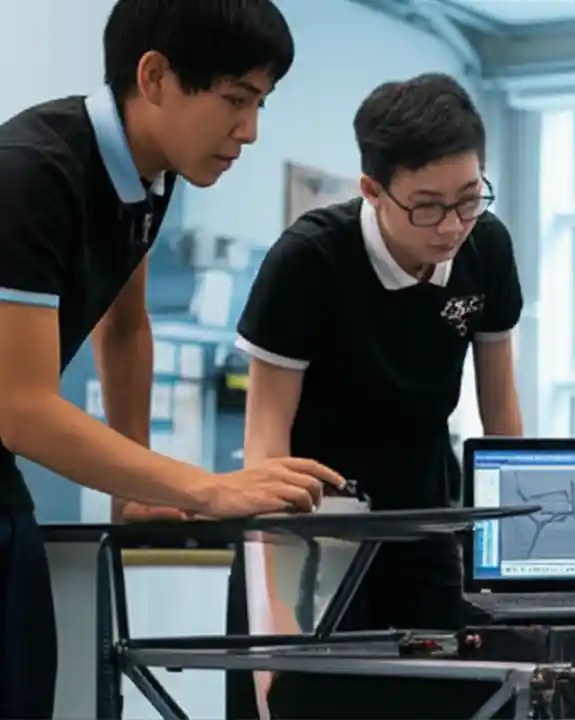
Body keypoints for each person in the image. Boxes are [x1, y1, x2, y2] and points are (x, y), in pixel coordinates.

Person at [0, 2, 348, 717]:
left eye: (260, 104)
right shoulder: (31, 174)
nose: (249, 132)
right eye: (235, 101)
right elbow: (20, 409)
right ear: (154, 76)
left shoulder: (147, 176)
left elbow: (125, 326)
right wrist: (203, 487)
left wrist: (135, 483)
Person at [225, 72, 524, 719]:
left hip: (423, 520)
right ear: (372, 190)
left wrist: (522, 561)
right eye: (427, 205)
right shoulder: (309, 260)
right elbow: (264, 440)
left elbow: (501, 418)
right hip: (310, 530)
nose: (451, 226)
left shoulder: (487, 248)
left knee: (462, 699)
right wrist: (275, 613)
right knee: (304, 704)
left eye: (469, 199)